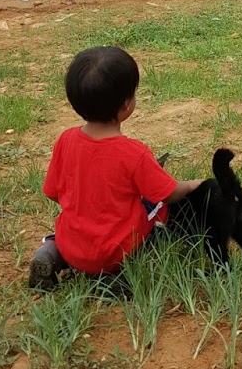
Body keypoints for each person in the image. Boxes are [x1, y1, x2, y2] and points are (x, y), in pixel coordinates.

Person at [27, 46, 203, 290]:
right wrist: (194, 184)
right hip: (115, 251)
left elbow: (52, 192)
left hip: (73, 244)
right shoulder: (134, 153)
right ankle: (116, 277)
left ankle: (49, 254)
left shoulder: (65, 141)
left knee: (63, 240)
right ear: (126, 105)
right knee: (156, 210)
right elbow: (168, 193)